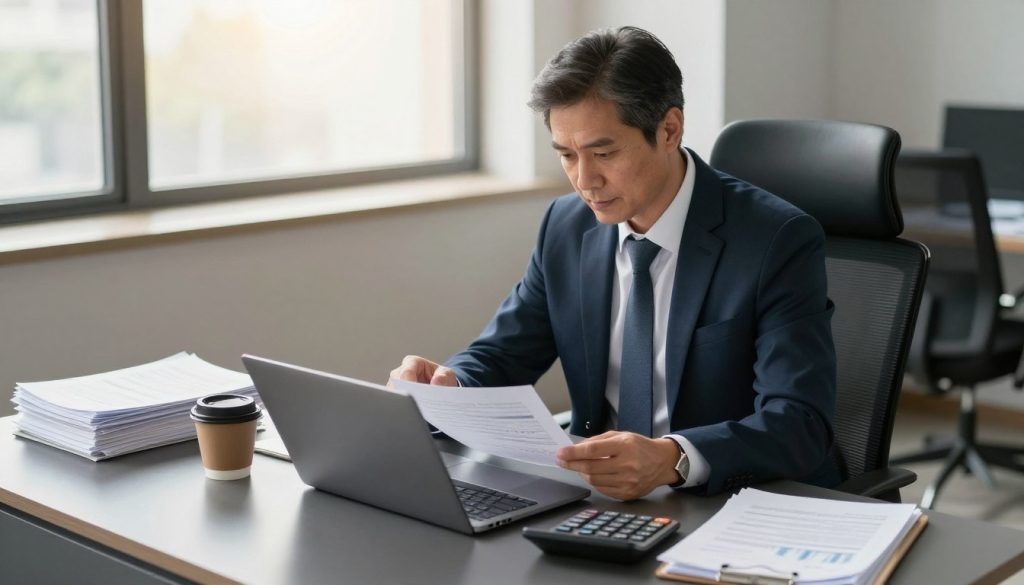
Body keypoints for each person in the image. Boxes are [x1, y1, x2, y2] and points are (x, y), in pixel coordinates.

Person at [389, 26, 840, 500]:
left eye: (603, 153)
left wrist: (674, 458)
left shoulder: (775, 240)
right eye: (566, 155)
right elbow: (504, 353)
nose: (585, 180)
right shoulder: (567, 226)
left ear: (669, 130)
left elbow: (799, 422)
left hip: (728, 499)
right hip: (599, 495)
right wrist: (447, 386)